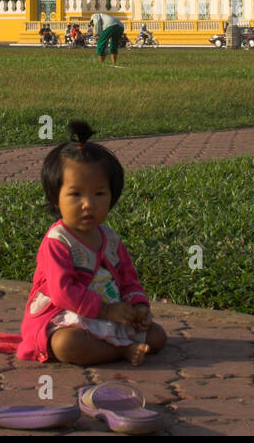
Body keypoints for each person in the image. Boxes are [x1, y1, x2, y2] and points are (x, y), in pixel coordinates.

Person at [17, 120, 166, 366]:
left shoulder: (109, 238)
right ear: (55, 198)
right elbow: (63, 292)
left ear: (112, 196)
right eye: (75, 194)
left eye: (99, 194)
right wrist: (105, 311)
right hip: (69, 317)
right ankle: (121, 352)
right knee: (66, 345)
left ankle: (119, 344)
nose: (88, 204)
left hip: (112, 315)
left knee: (158, 336)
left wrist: (138, 308)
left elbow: (128, 278)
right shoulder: (58, 241)